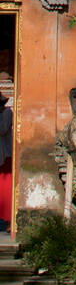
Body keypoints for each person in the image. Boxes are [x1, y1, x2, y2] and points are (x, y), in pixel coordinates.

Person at [0, 92, 13, 233]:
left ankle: (10, 221)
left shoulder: (7, 113)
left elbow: (3, 129)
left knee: (7, 192)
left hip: (6, 157)